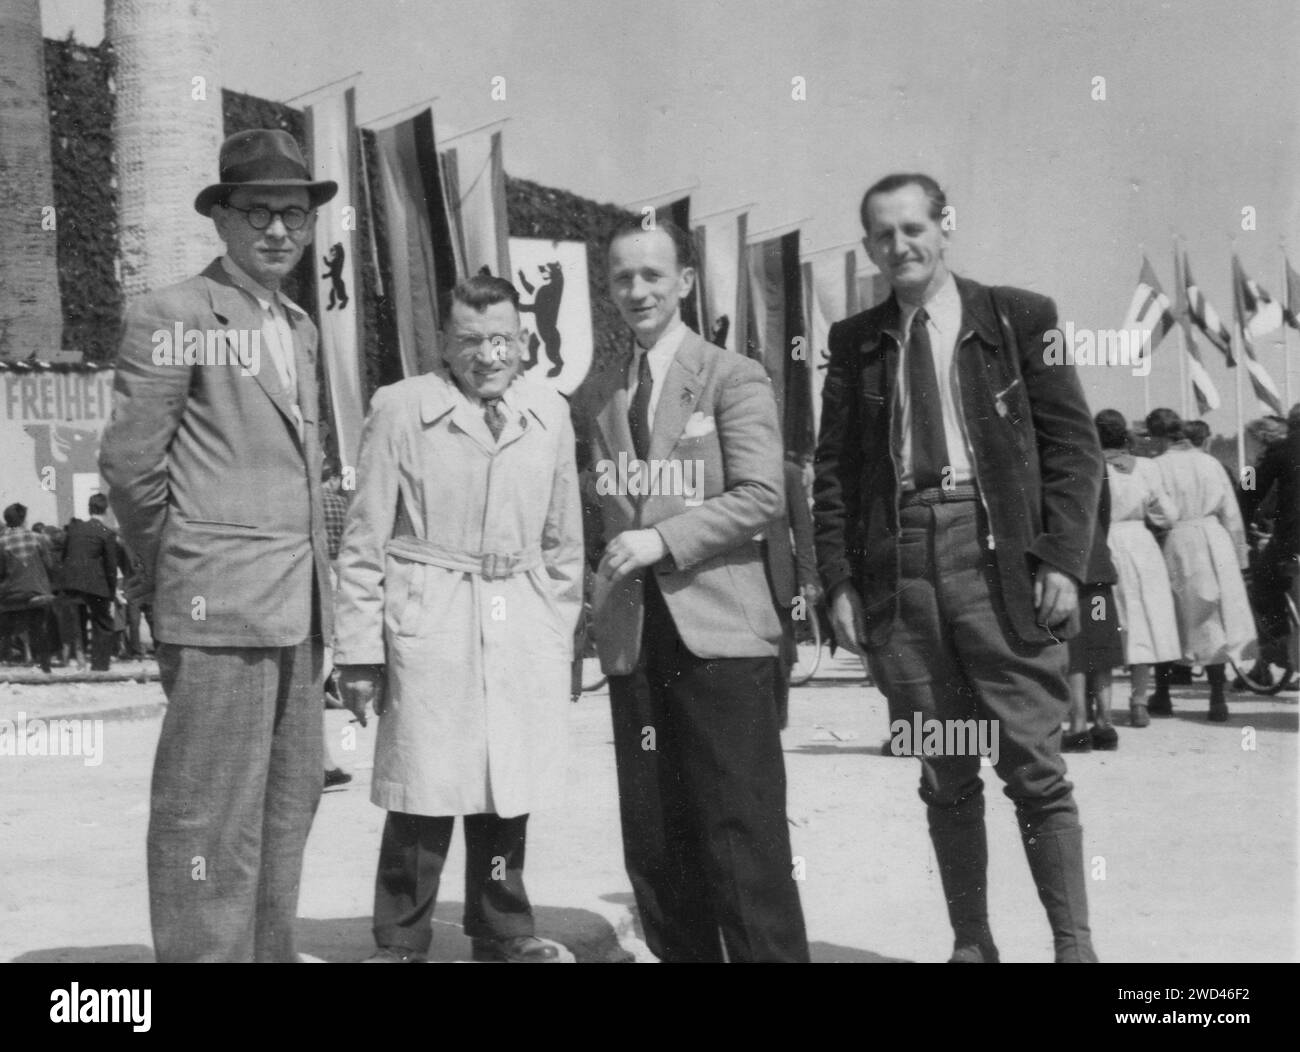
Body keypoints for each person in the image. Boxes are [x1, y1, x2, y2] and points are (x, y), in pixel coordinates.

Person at [814, 173, 1103, 963]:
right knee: (944, 769)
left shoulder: (1019, 317)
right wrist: (838, 578)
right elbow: (833, 472)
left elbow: (1075, 450)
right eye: (882, 235)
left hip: (998, 559)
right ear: (869, 245)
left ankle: (1074, 949)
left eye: (913, 228)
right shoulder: (856, 340)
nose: (899, 246)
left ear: (947, 224)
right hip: (901, 569)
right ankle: (971, 943)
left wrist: (1063, 562)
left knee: (1035, 770)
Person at [99, 128, 337, 962]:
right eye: (260, 212)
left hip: (300, 611)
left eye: (295, 215)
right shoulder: (177, 314)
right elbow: (131, 468)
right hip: (217, 608)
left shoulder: (299, 325)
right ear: (222, 220)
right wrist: (183, 571)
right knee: (208, 816)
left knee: (287, 805)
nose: (279, 231)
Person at [333, 274, 582, 964]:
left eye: (501, 338)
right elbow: (363, 539)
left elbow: (566, 541)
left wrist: (555, 630)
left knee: (507, 785)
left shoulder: (550, 412)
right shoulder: (400, 407)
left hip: (521, 615)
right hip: (432, 612)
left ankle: (503, 929)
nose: (488, 353)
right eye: (470, 340)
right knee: (425, 784)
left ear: (523, 341)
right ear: (445, 341)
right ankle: (402, 937)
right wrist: (359, 650)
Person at [586, 218, 809, 963]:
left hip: (720, 638)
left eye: (652, 275)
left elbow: (760, 495)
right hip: (636, 642)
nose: (637, 290)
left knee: (740, 840)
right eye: (622, 277)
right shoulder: (607, 392)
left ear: (684, 281)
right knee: (655, 845)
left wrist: (664, 540)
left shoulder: (731, 375)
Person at [1144, 408, 1255, 721]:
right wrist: (1240, 556)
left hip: (1176, 539)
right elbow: (1231, 513)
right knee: (1212, 614)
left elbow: (1155, 510)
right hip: (1214, 538)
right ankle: (1217, 696)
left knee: (1170, 614)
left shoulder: (1156, 467)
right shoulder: (1210, 463)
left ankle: (1163, 694)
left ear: (1158, 436)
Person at [1093, 409, 1181, 727]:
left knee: (1106, 620)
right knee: (1142, 618)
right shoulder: (1145, 467)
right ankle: (1139, 701)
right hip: (1139, 543)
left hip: (1103, 542)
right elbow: (1167, 516)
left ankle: (1098, 703)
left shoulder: (1091, 465)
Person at [1061, 477, 1124, 752]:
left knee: (1075, 642)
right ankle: (1104, 724)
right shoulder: (1094, 456)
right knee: (1099, 640)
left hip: (1064, 562)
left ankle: (1077, 726)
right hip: (1097, 564)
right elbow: (1105, 511)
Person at [763, 453, 823, 729]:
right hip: (739, 570)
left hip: (778, 573)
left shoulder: (787, 472)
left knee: (783, 652)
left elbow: (802, 528)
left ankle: (777, 717)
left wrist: (808, 577)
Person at [1241, 404, 1298, 672]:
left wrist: (1250, 466)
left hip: (1292, 539)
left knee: (1263, 579)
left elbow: (1251, 490)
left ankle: (1277, 641)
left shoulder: (1281, 450)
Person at [56, 493, 121, 672]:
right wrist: (111, 592)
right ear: (106, 510)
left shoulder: (74, 529)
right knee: (103, 622)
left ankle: (78, 657)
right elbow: (110, 567)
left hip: (69, 585)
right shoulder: (107, 533)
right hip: (93, 586)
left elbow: (64, 557)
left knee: (79, 616)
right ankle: (100, 666)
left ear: (89, 508)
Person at [0, 503, 56, 673]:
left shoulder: (2, 542)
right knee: (39, 626)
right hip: (37, 591)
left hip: (11, 593)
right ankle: (45, 666)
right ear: (24, 519)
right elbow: (49, 565)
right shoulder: (39, 538)